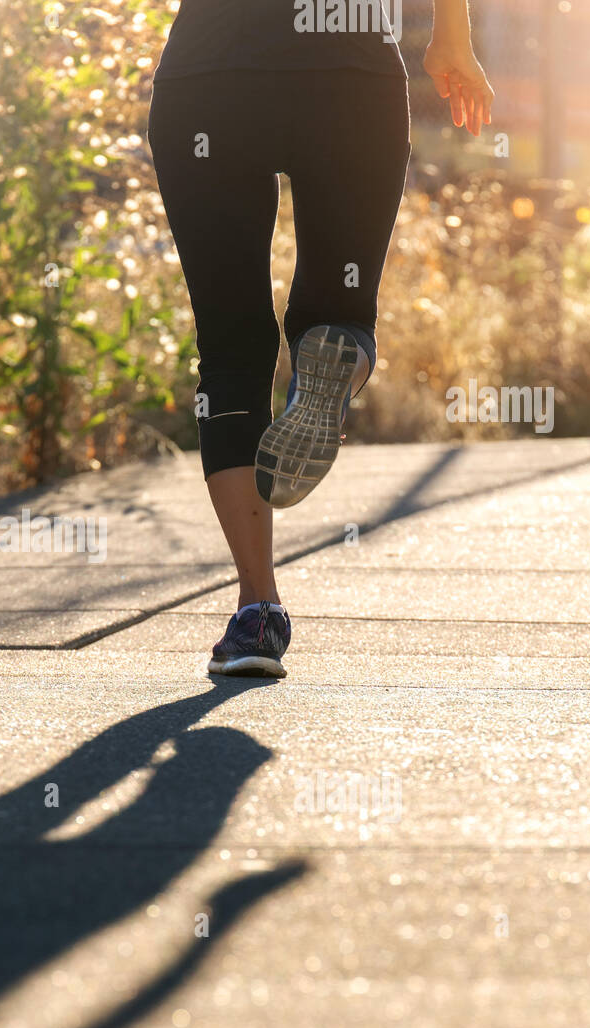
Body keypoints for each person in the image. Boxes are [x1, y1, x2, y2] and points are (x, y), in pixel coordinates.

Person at [148, 0, 494, 677]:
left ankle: (256, 611)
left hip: (208, 73)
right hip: (347, 66)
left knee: (229, 349)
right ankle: (326, 366)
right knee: (339, 309)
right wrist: (452, 37)